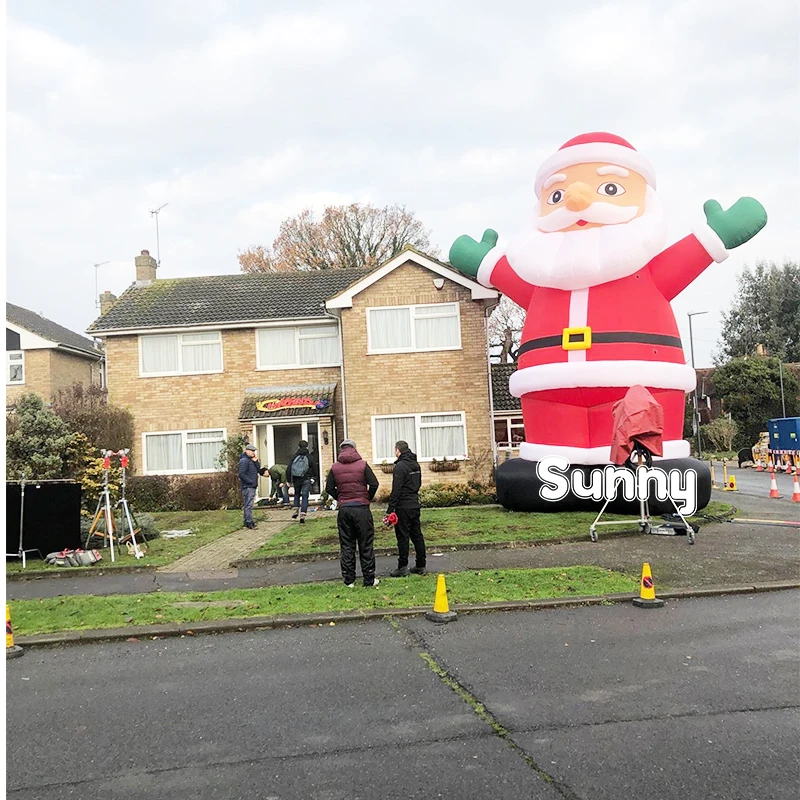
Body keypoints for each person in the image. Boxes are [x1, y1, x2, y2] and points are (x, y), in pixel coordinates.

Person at [325, 438, 380, 588]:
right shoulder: (362, 465)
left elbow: (329, 488)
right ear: (354, 449)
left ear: (342, 450)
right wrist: (367, 497)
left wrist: (340, 498)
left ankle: (349, 580)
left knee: (347, 545)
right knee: (366, 544)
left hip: (344, 510)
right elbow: (374, 483)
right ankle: (369, 579)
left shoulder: (335, 468)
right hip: (361, 509)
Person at [387, 440, 426, 577]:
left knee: (402, 537)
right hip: (414, 504)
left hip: (403, 506)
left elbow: (396, 490)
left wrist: (390, 509)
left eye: (395, 450)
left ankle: (402, 567)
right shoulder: (416, 465)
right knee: (417, 535)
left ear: (398, 450)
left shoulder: (400, 467)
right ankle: (421, 565)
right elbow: (418, 483)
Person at [287, 439, 317, 523]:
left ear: (299, 446)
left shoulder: (294, 457)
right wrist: (314, 477)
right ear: (307, 446)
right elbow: (315, 468)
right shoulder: (310, 457)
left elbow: (289, 468)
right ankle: (303, 514)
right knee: (304, 496)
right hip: (306, 479)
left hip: (296, 479)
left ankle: (296, 509)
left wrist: (289, 480)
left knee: (297, 494)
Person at [238, 444, 267, 529]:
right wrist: (250, 482)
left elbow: (258, 470)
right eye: (252, 451)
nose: (253, 453)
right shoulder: (244, 461)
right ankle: (249, 522)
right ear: (247, 450)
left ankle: (246, 521)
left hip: (251, 486)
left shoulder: (251, 460)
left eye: (254, 451)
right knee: (249, 505)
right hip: (248, 486)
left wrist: (256, 461)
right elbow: (241, 474)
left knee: (248, 504)